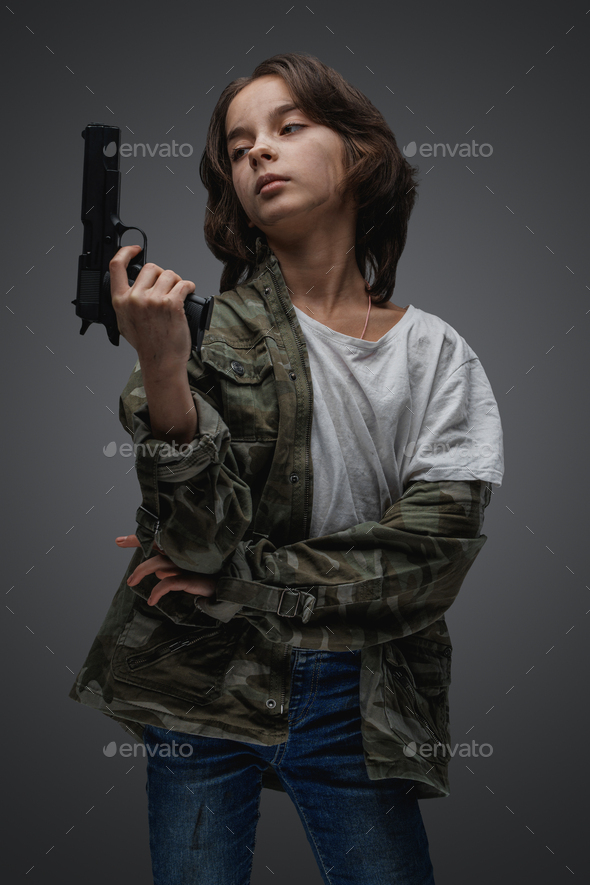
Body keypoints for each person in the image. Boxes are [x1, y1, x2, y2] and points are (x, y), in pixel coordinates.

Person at [69, 52, 504, 885]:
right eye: (238, 147)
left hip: (362, 692)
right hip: (201, 680)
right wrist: (164, 368)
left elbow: (430, 557)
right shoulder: (195, 334)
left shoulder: (436, 353)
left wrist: (247, 580)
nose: (258, 152)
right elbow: (192, 549)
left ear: (360, 156)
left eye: (288, 127)